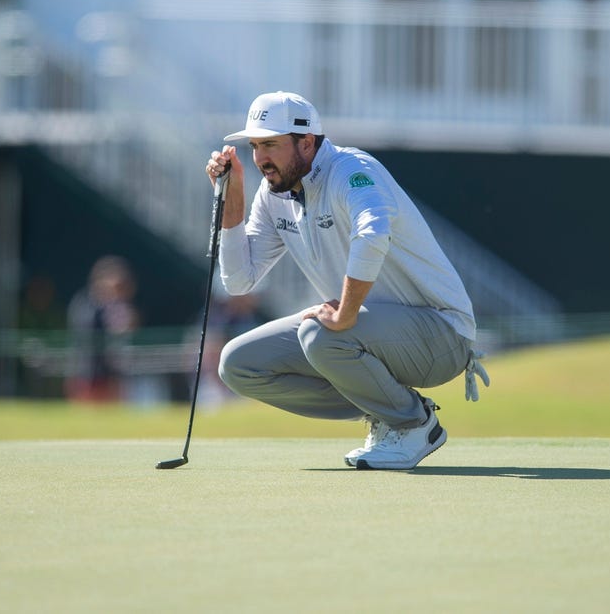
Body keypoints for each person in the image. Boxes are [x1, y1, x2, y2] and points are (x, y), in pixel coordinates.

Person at [205, 91, 489, 470]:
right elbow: (238, 281)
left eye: (270, 145)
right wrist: (232, 195)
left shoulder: (352, 170)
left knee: (320, 333)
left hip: (441, 334)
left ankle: (413, 423)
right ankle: (387, 410)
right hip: (370, 337)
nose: (260, 159)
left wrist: (346, 313)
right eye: (255, 147)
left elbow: (372, 234)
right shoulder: (273, 195)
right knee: (237, 364)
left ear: (306, 143)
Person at [65, 255, 140, 402]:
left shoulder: (113, 306)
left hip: (109, 374)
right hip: (87, 374)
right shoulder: (85, 305)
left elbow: (128, 327)